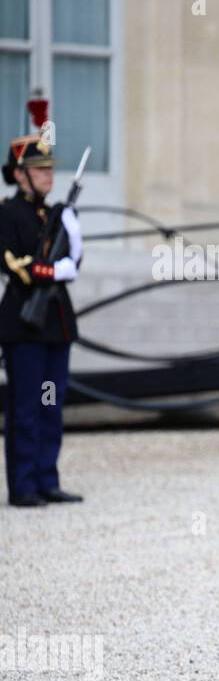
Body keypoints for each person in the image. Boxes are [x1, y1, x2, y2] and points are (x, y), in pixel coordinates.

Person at [1, 94, 83, 508]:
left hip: (55, 322)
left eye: (50, 169)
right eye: (39, 170)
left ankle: (47, 478)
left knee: (51, 403)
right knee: (26, 406)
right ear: (19, 174)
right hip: (24, 322)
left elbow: (74, 260)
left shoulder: (54, 215)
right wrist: (55, 270)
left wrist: (72, 240)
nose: (48, 176)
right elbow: (15, 263)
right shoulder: (8, 214)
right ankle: (23, 485)